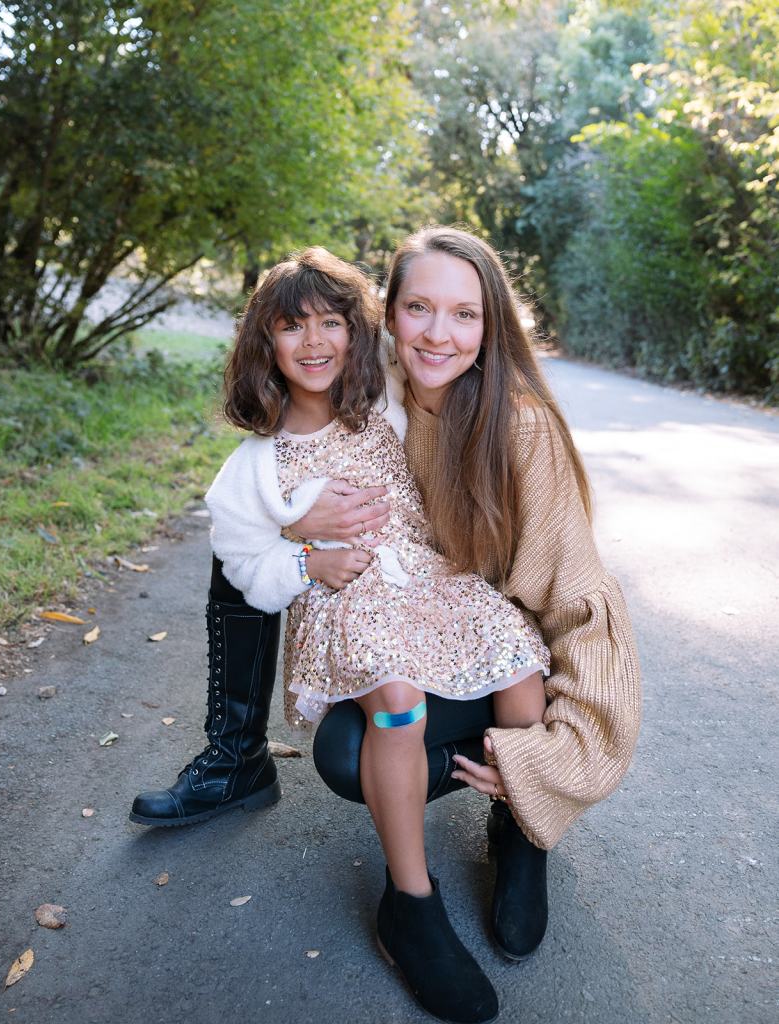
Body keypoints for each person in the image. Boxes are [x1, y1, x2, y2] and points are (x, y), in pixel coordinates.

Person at [130, 225, 640, 989]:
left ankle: (521, 827)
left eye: (464, 314)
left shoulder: (470, 418)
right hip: (363, 608)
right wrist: (295, 535)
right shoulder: (341, 415)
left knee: (517, 663)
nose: (436, 334)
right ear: (389, 318)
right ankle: (398, 888)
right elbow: (241, 549)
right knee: (375, 724)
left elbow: (574, 596)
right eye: (417, 309)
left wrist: (562, 760)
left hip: (449, 602)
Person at [202, 246, 557, 1022]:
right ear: (263, 344)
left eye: (331, 323)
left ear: (357, 334)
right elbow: (245, 567)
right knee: (397, 701)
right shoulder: (254, 467)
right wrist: (302, 551)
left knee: (517, 661)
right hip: (348, 600)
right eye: (290, 326)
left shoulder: (383, 402)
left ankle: (521, 825)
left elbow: (442, 365)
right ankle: (410, 900)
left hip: (429, 581)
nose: (314, 342)